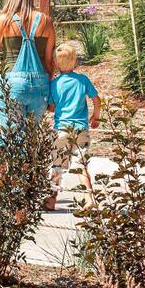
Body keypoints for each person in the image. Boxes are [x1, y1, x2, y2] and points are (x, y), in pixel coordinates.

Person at [0, 0, 59, 207]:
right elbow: (49, 61)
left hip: (12, 83)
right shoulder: (46, 21)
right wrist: (50, 93)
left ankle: (14, 194)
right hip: (39, 85)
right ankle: (30, 189)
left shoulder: (3, 20)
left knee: (11, 138)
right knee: (32, 137)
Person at [47, 42, 101, 205]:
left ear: (56, 63)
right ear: (75, 61)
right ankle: (88, 196)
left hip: (62, 129)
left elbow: (51, 107)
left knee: (57, 164)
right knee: (81, 163)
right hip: (81, 129)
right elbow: (96, 100)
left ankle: (52, 199)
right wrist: (95, 116)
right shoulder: (83, 80)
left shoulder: (54, 84)